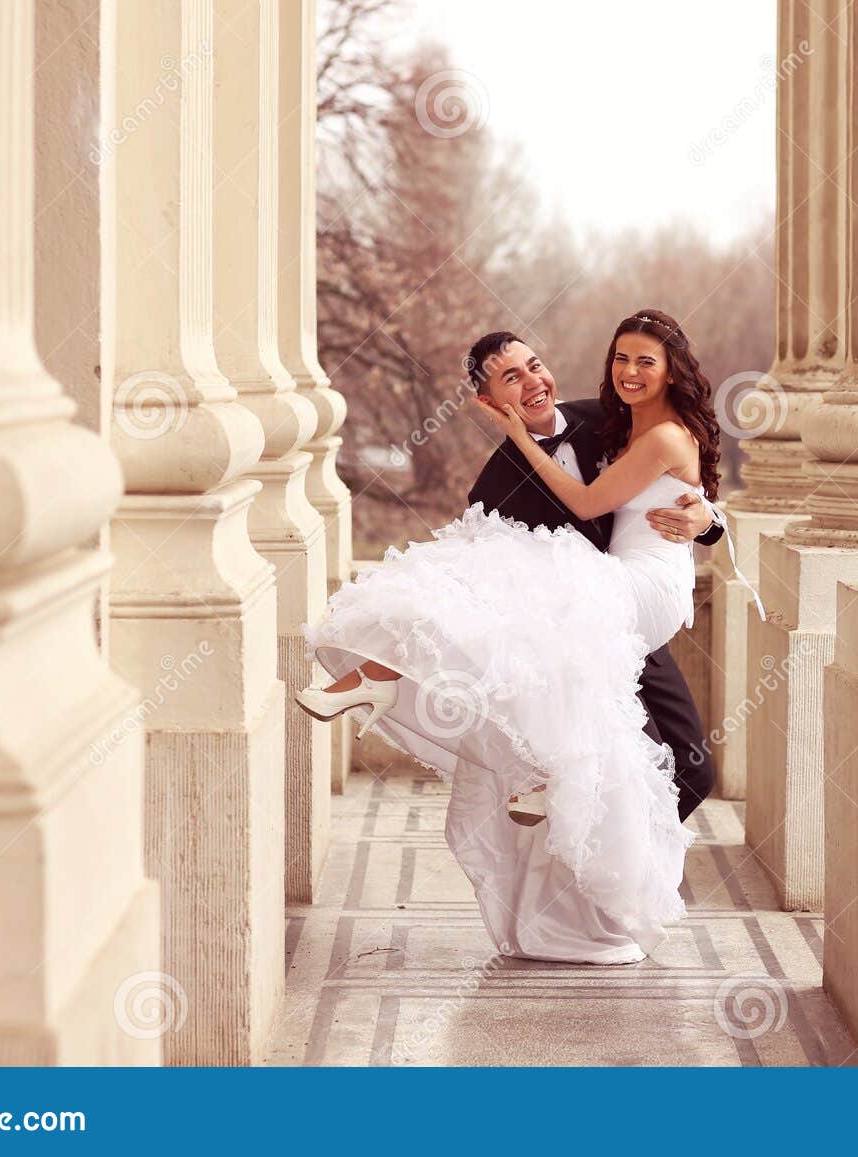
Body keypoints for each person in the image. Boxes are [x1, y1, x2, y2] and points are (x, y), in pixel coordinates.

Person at [296, 310, 737, 964]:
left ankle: (611, 862)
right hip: (570, 630)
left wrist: (707, 521)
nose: (532, 382)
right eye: (510, 377)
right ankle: (573, 890)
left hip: (619, 616)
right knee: (584, 752)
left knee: (689, 769)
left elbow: (678, 485)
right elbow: (479, 575)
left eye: (534, 365)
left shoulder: (606, 419)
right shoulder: (497, 481)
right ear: (489, 401)